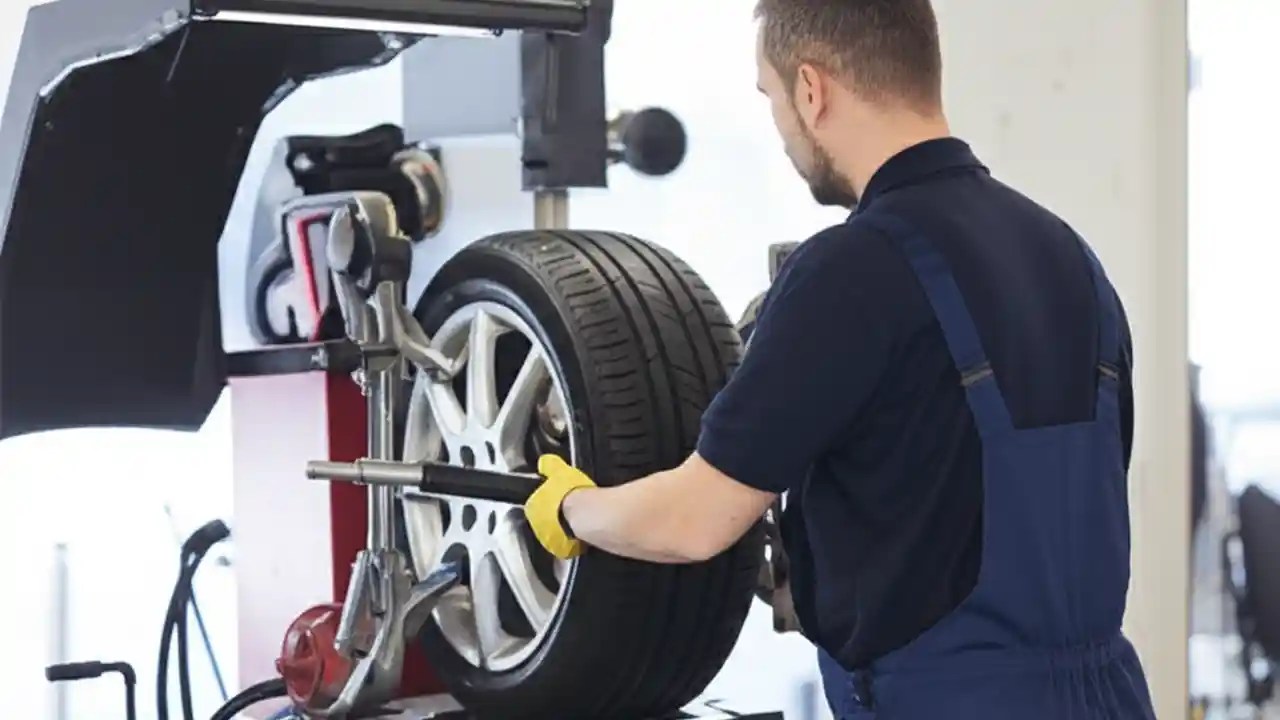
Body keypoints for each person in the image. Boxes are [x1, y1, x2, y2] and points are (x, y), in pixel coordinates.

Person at [522, 0, 1157, 717]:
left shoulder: (853, 269)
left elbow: (694, 521)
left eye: (772, 98)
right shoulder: (1071, 258)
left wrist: (573, 508)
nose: (781, 128)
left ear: (812, 89)